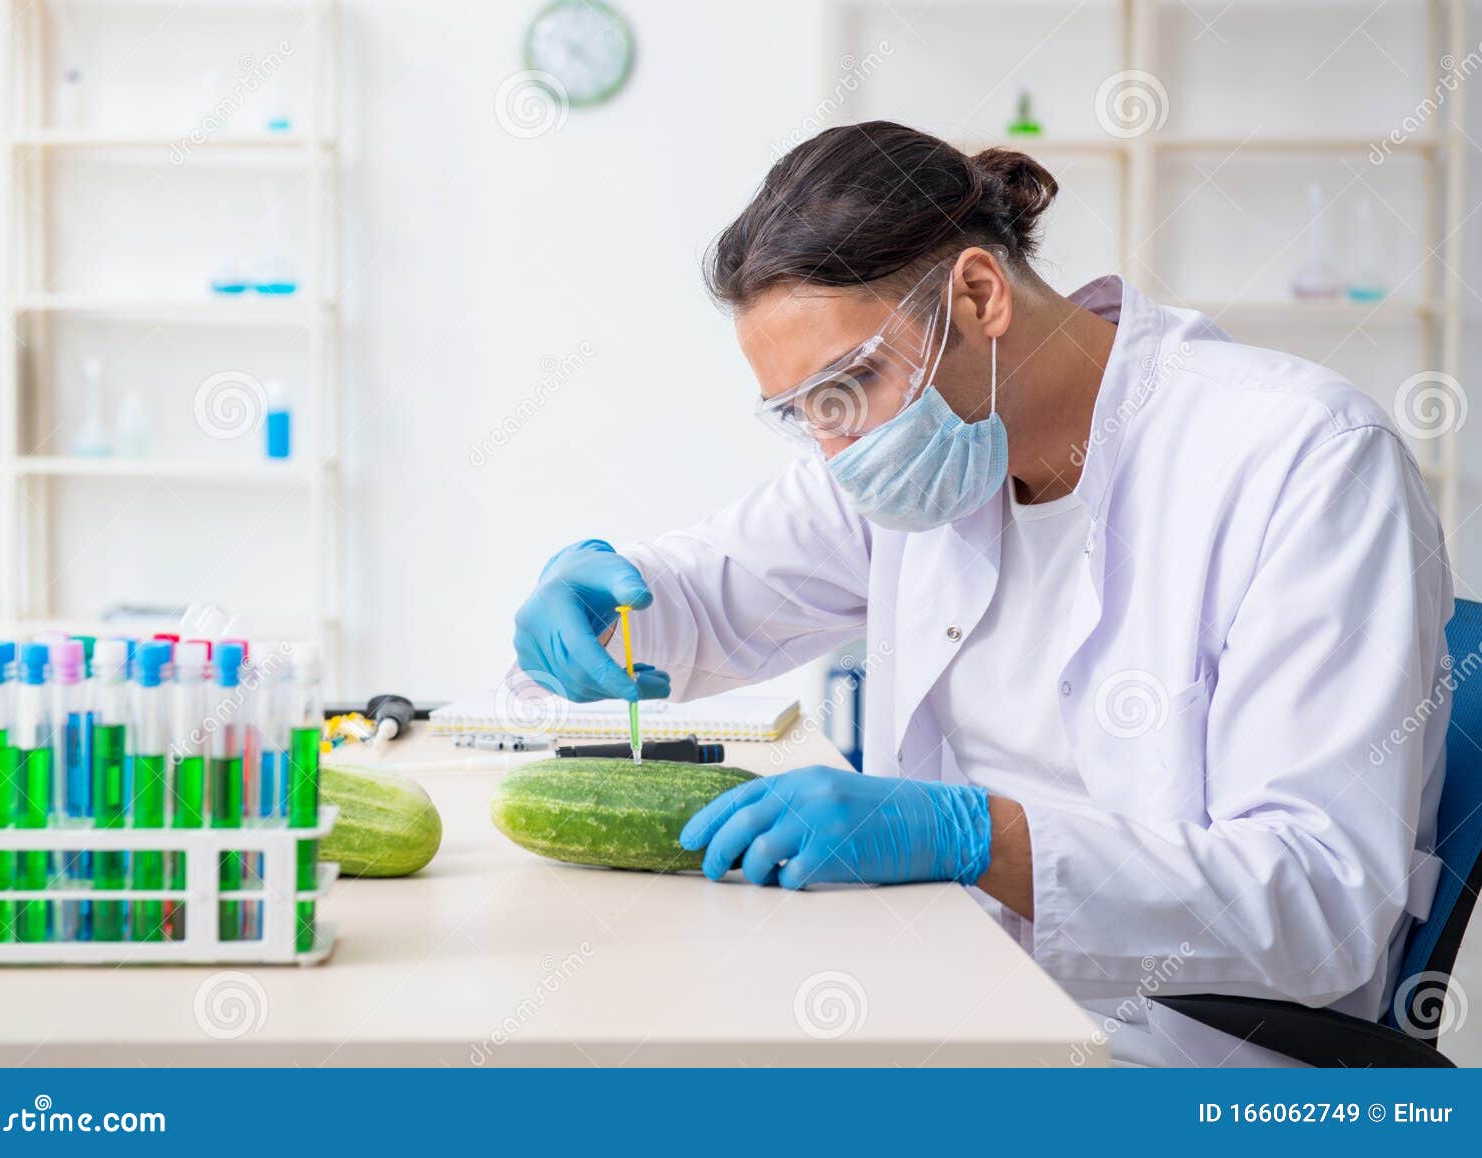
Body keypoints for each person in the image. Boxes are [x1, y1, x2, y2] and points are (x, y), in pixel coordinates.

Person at [510, 121, 1453, 1066]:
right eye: (801, 415)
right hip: (950, 994)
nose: (836, 451)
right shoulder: (915, 457)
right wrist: (613, 605)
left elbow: (1323, 908)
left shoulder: (1302, 460)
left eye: (847, 386)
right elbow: (710, 592)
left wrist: (973, 835)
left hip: (1183, 1057)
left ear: (977, 294)